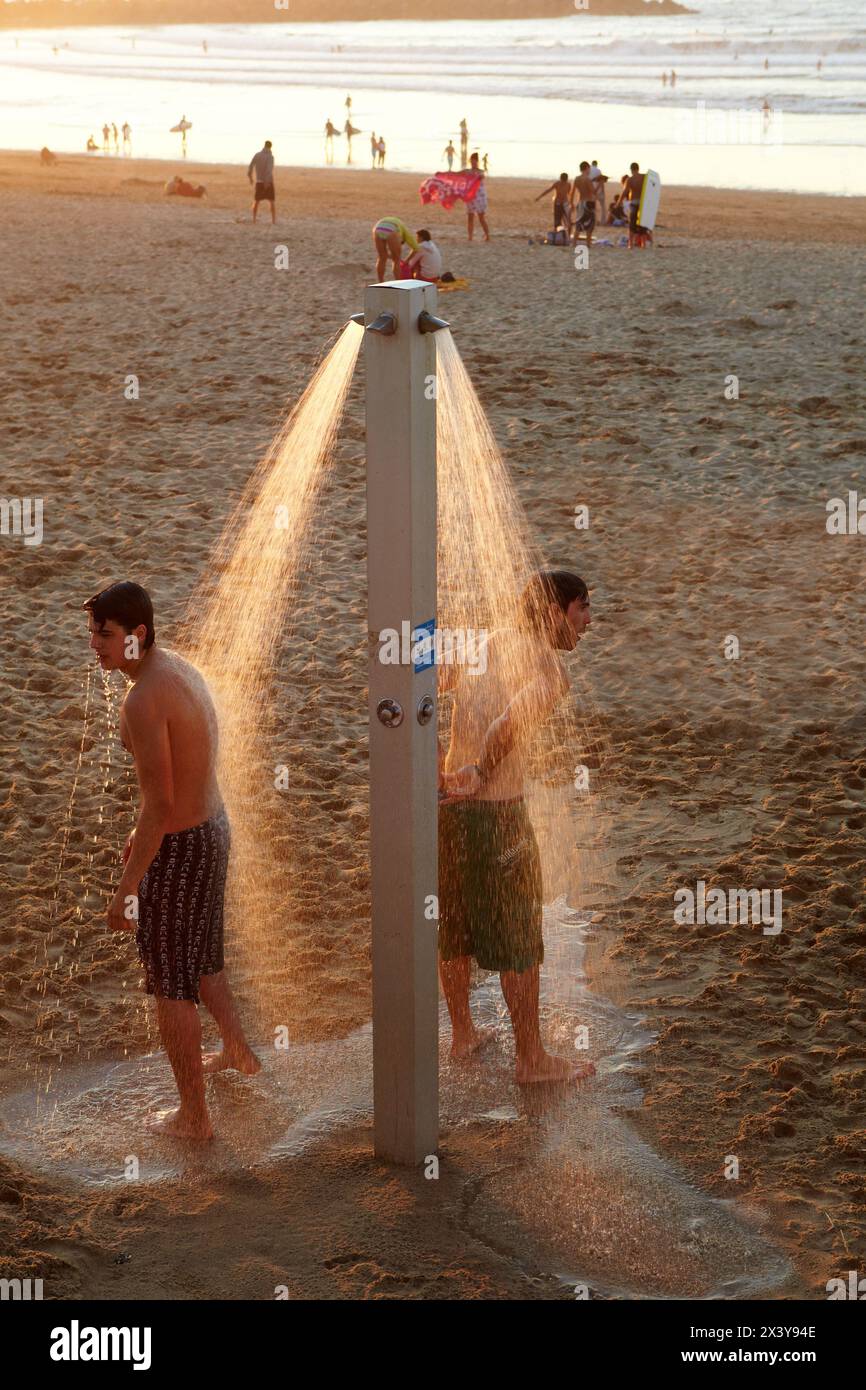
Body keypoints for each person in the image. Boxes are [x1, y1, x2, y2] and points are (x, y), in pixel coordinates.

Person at [85, 582, 259, 1142]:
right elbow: (177, 785)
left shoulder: (143, 699)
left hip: (183, 844)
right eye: (93, 632)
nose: (95, 644)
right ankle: (236, 1050)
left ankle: (194, 1118)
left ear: (137, 635)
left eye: (105, 634)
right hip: (212, 828)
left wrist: (126, 887)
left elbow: (159, 803)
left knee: (170, 985)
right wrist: (144, 841)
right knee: (204, 957)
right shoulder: (176, 669)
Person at [438, 570, 596, 1086]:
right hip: (496, 813)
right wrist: (481, 770)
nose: (589, 623)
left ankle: (462, 1033)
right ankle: (531, 1060)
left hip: (448, 809)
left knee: (455, 926)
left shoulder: (484, 644)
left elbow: (432, 681)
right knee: (520, 938)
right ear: (556, 614)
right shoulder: (549, 670)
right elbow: (508, 722)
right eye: (582, 610)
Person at [372, 215, 419, 280]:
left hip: (377, 228)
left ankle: (380, 281)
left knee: (381, 257)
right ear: (402, 239)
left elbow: (386, 253)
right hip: (392, 229)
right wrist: (407, 260)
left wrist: (388, 255)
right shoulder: (406, 234)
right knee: (396, 260)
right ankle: (398, 282)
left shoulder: (398, 224)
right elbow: (416, 248)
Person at [247, 139, 276, 224]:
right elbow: (269, 170)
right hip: (268, 181)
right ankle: (273, 221)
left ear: (264, 145)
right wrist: (267, 182)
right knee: (271, 201)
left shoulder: (257, 155)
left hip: (259, 181)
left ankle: (254, 220)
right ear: (270, 147)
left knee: (256, 201)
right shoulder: (270, 157)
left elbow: (251, 166)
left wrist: (250, 177)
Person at [570, 161, 597, 248]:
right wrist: (600, 184)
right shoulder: (587, 179)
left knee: (579, 223)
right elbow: (593, 192)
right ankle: (588, 244)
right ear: (586, 168)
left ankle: (574, 243)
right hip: (588, 202)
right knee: (590, 224)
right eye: (589, 168)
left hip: (580, 202)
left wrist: (571, 203)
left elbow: (572, 192)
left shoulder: (577, 179)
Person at [464, 151, 490, 242]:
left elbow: (481, 177)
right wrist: (443, 173)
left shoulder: (480, 172)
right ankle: (470, 237)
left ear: (477, 161)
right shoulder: (467, 171)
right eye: (472, 161)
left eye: (474, 161)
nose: (473, 163)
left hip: (480, 197)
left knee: (481, 217)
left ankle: (487, 235)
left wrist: (476, 177)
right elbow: (456, 174)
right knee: (470, 217)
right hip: (470, 197)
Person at [624, 161, 645, 248]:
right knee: (642, 223)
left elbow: (625, 192)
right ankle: (643, 244)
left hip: (634, 202)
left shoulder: (630, 179)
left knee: (632, 223)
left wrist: (618, 203)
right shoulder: (644, 177)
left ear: (631, 170)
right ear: (638, 168)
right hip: (643, 202)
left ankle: (630, 244)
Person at [589, 159, 608, 223]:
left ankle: (593, 220)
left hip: (591, 189)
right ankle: (603, 221)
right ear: (596, 164)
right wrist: (603, 191)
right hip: (598, 188)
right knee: (602, 206)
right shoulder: (598, 170)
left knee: (592, 206)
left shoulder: (589, 170)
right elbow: (601, 181)